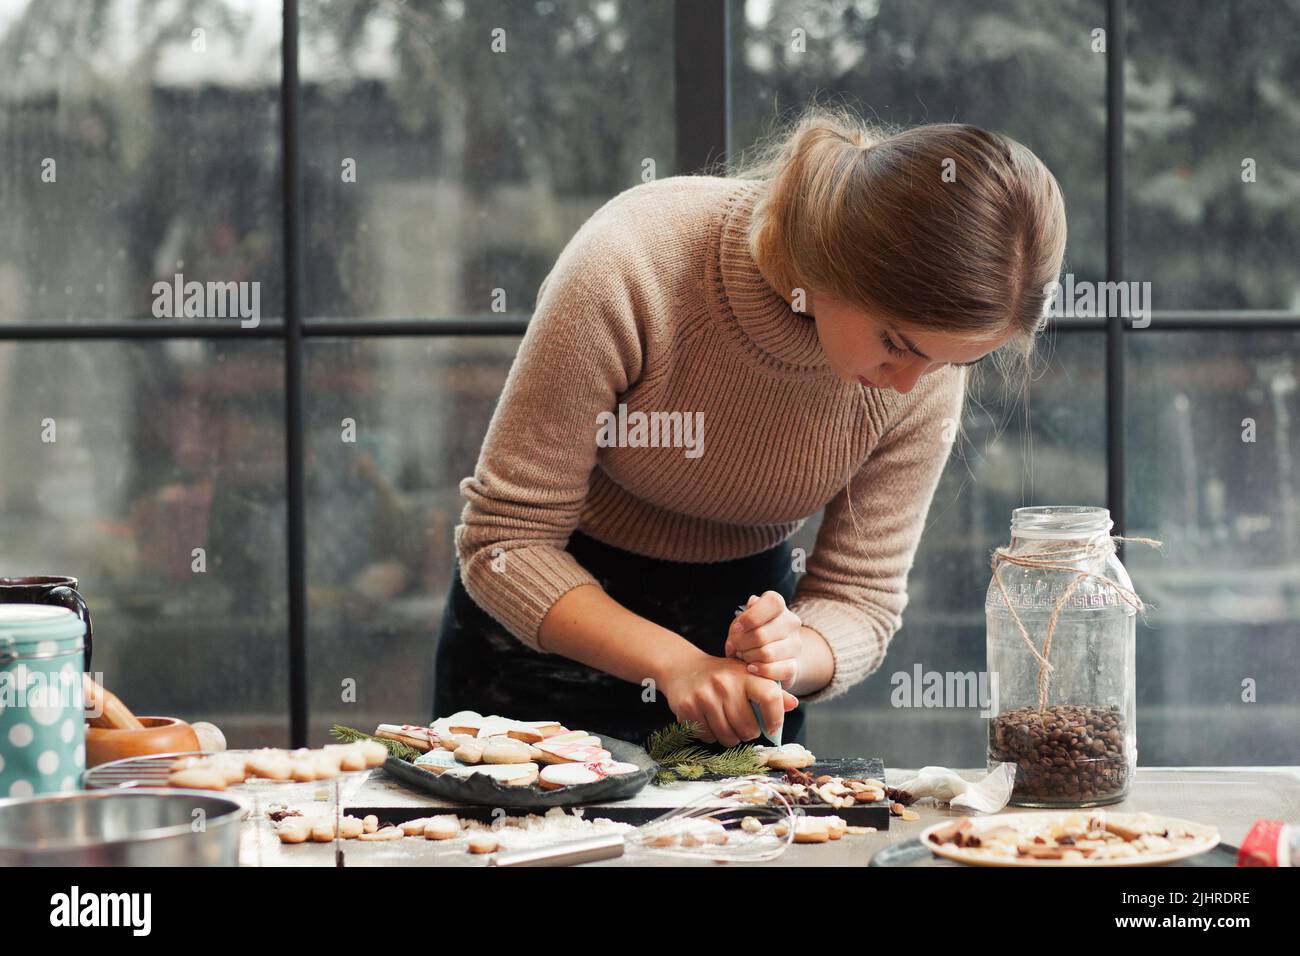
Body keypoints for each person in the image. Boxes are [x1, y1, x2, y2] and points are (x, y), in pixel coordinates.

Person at [434, 105, 1066, 748]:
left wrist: (791, 653)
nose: (911, 383)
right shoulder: (630, 260)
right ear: (838, 260)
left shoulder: (925, 367)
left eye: (950, 361)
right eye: (895, 344)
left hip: (740, 668)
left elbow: (861, 597)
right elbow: (504, 544)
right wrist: (676, 663)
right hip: (538, 645)